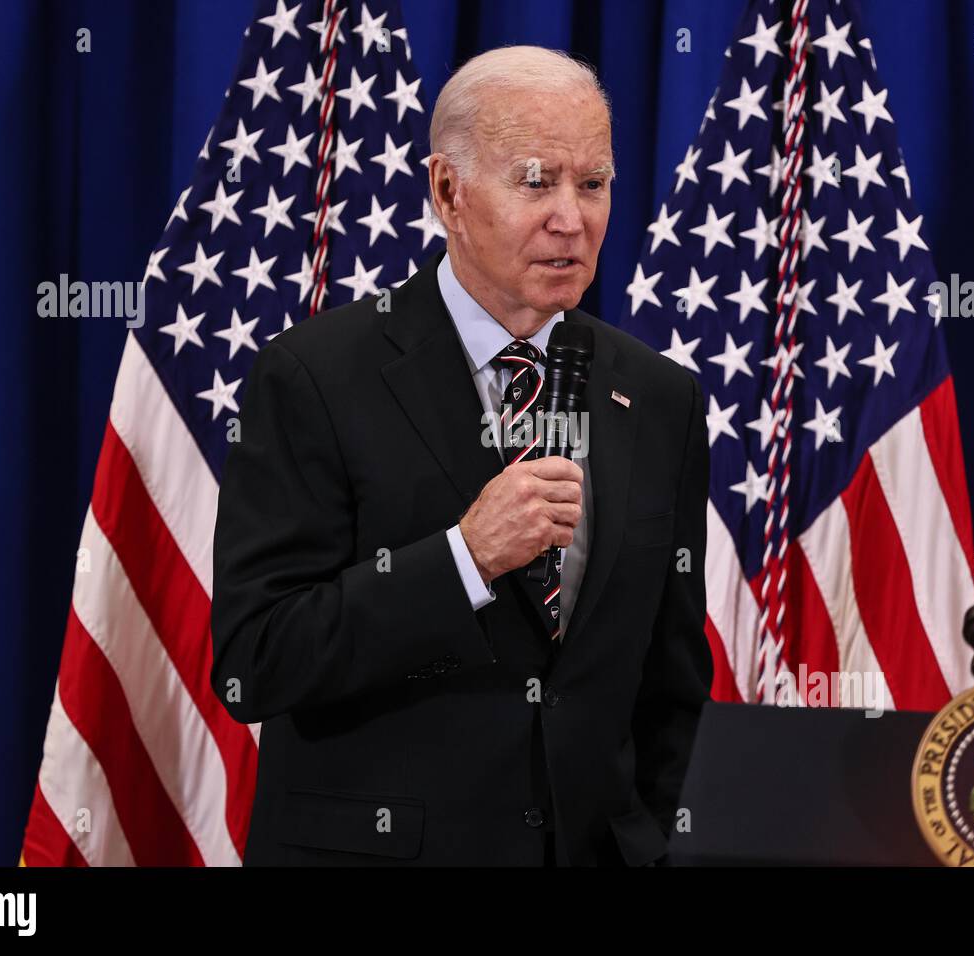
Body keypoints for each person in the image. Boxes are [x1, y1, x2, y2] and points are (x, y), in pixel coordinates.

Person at [210, 45, 712, 866]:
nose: (571, 217)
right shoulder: (315, 375)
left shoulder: (658, 397)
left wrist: (645, 846)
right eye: (535, 180)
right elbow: (257, 661)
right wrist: (464, 559)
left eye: (593, 184)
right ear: (448, 190)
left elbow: (672, 686)